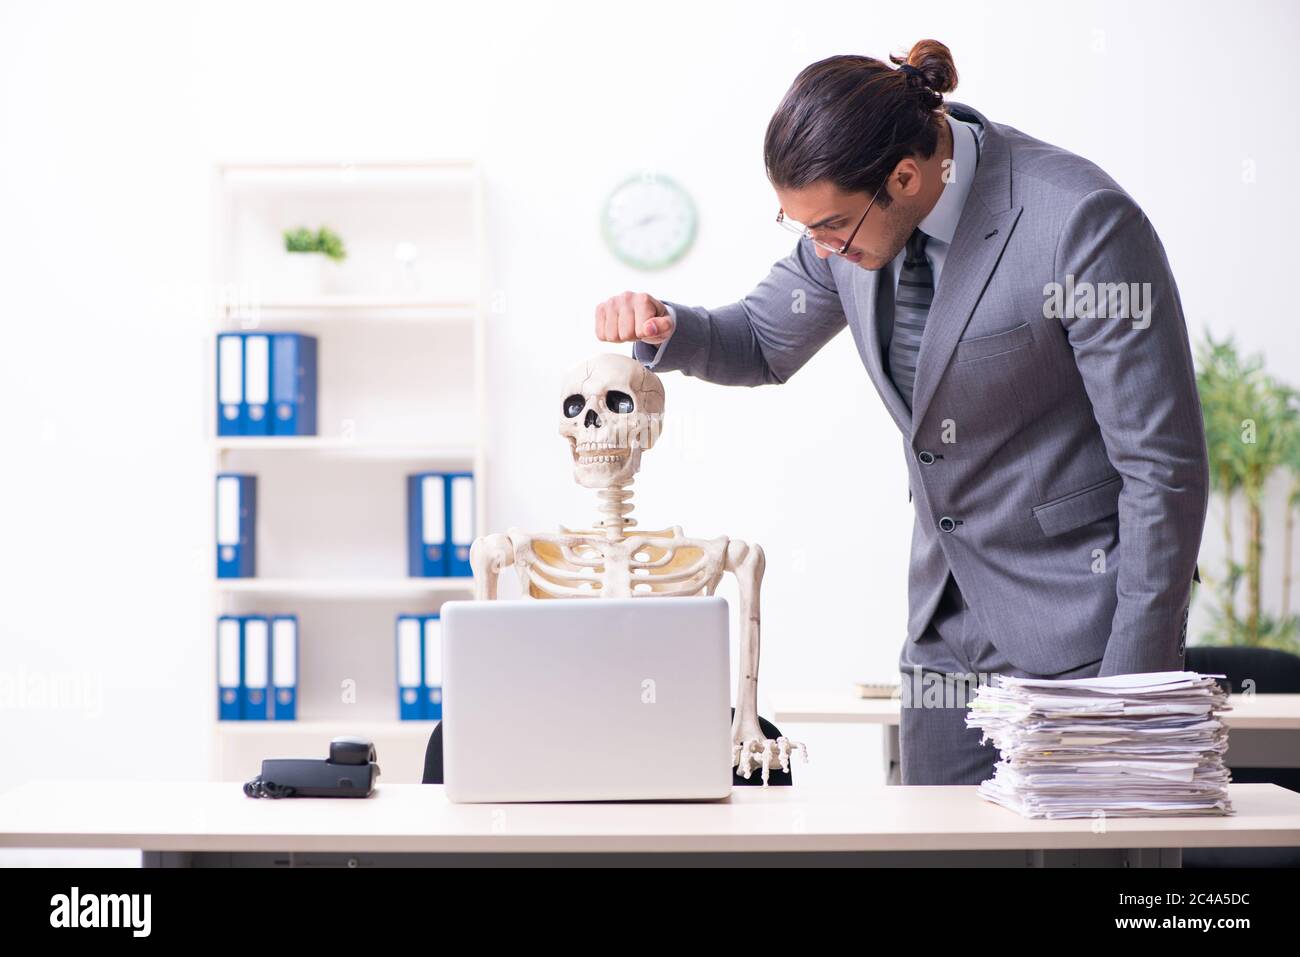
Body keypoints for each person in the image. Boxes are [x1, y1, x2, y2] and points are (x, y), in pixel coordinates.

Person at [593, 39, 1209, 786]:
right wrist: (666, 325)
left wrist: (1130, 689)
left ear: (906, 177)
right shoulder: (847, 238)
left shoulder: (1078, 223)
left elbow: (1163, 470)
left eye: (828, 229)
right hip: (940, 646)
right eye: (802, 230)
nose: (818, 250)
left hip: (1080, 636)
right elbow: (758, 339)